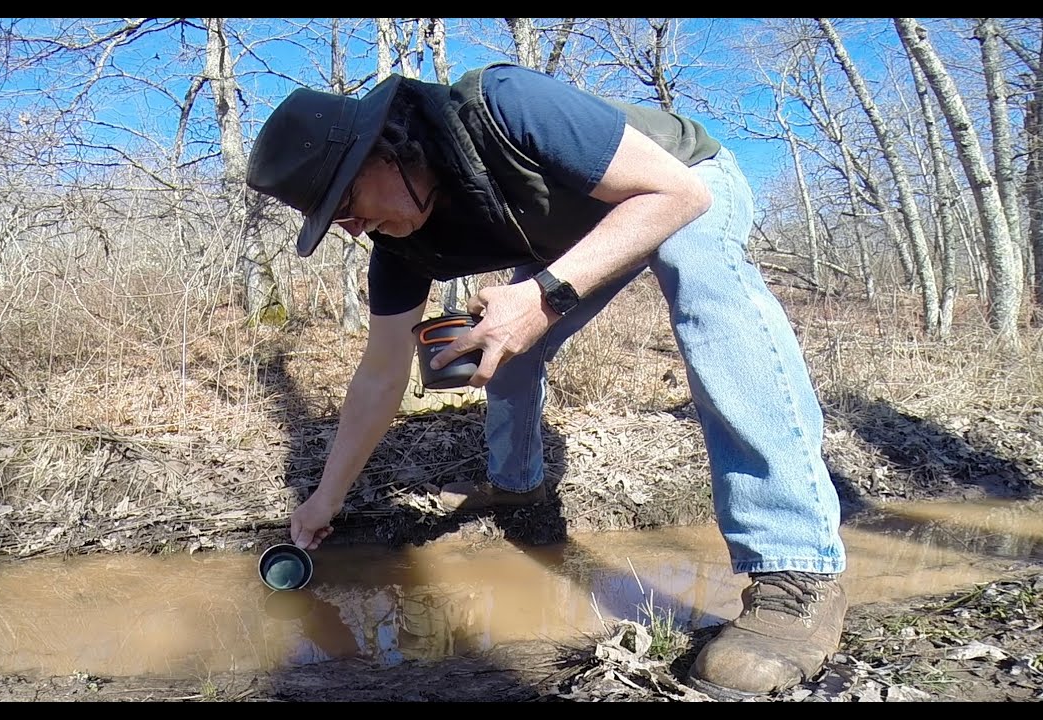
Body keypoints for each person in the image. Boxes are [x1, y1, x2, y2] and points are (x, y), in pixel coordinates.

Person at [245, 61, 848, 700]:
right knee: (505, 346)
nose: (352, 229)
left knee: (702, 283)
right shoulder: (400, 246)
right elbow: (379, 373)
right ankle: (516, 488)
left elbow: (679, 196)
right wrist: (325, 499)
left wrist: (544, 296)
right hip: (574, 233)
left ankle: (796, 570)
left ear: (385, 150)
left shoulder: (504, 106)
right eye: (333, 222)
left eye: (345, 204)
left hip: (676, 180)